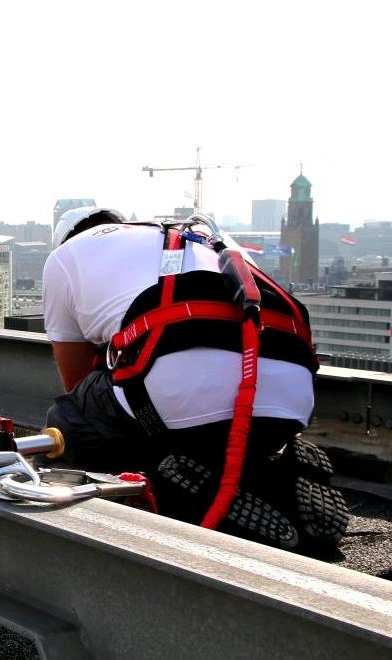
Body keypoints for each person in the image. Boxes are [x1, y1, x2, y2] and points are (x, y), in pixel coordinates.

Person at [42, 206, 348, 554]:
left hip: (182, 399)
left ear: (63, 239)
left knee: (72, 423)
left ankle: (161, 503)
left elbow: (77, 380)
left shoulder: (63, 258)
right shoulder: (198, 237)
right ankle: (275, 482)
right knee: (189, 410)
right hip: (289, 400)